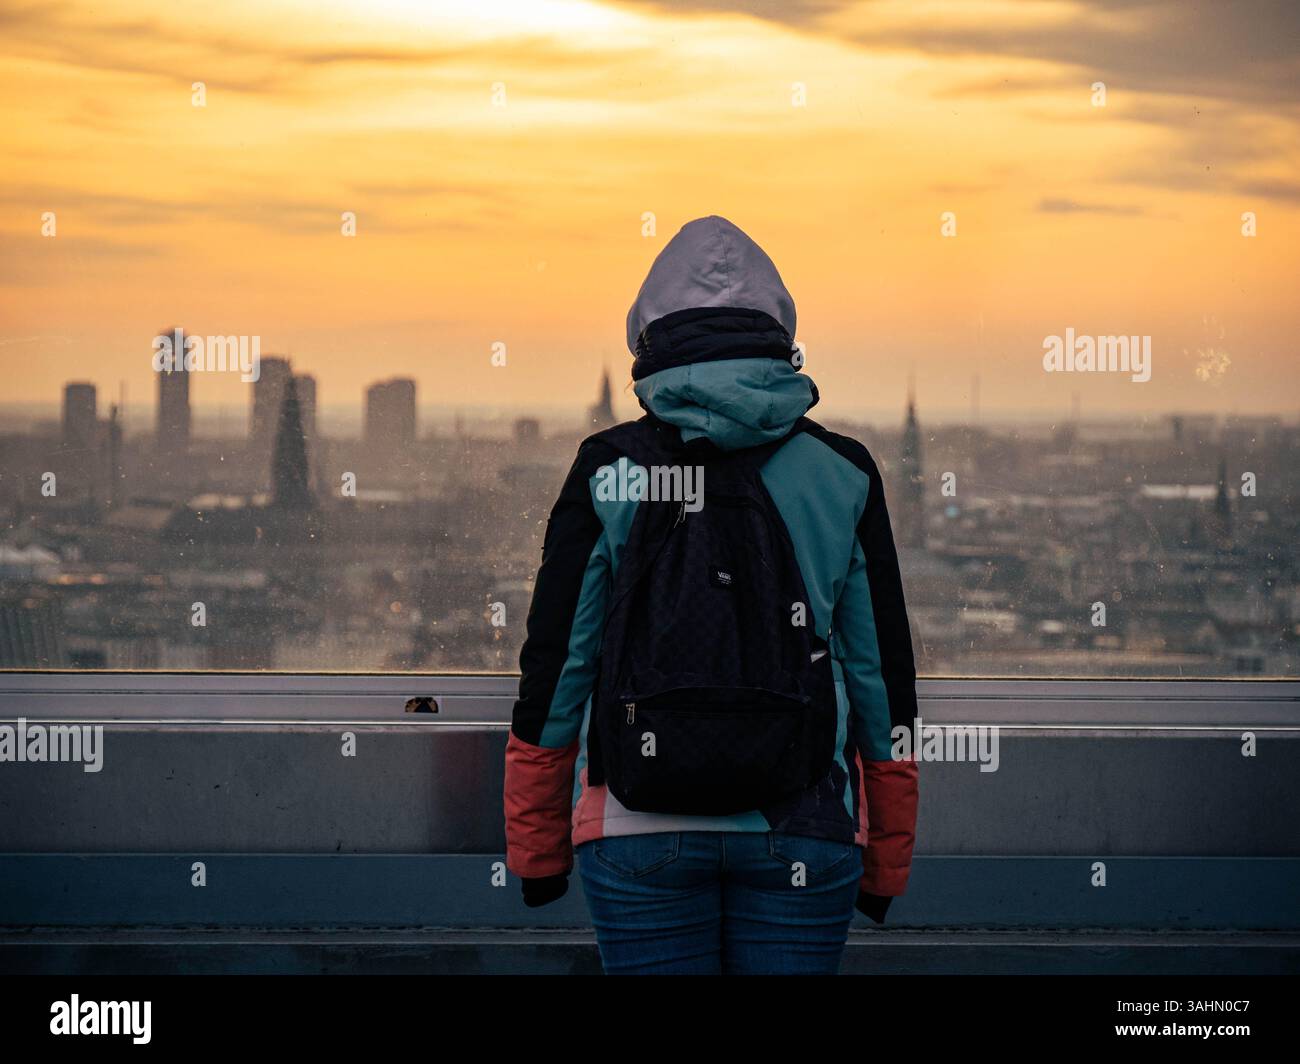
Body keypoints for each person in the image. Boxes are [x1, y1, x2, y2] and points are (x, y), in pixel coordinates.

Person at [503, 215, 919, 975]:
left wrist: (535, 849)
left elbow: (558, 667)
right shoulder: (844, 472)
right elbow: (881, 680)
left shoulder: (608, 469)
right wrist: (887, 855)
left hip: (636, 833)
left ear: (649, 347)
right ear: (780, 341)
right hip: (802, 830)